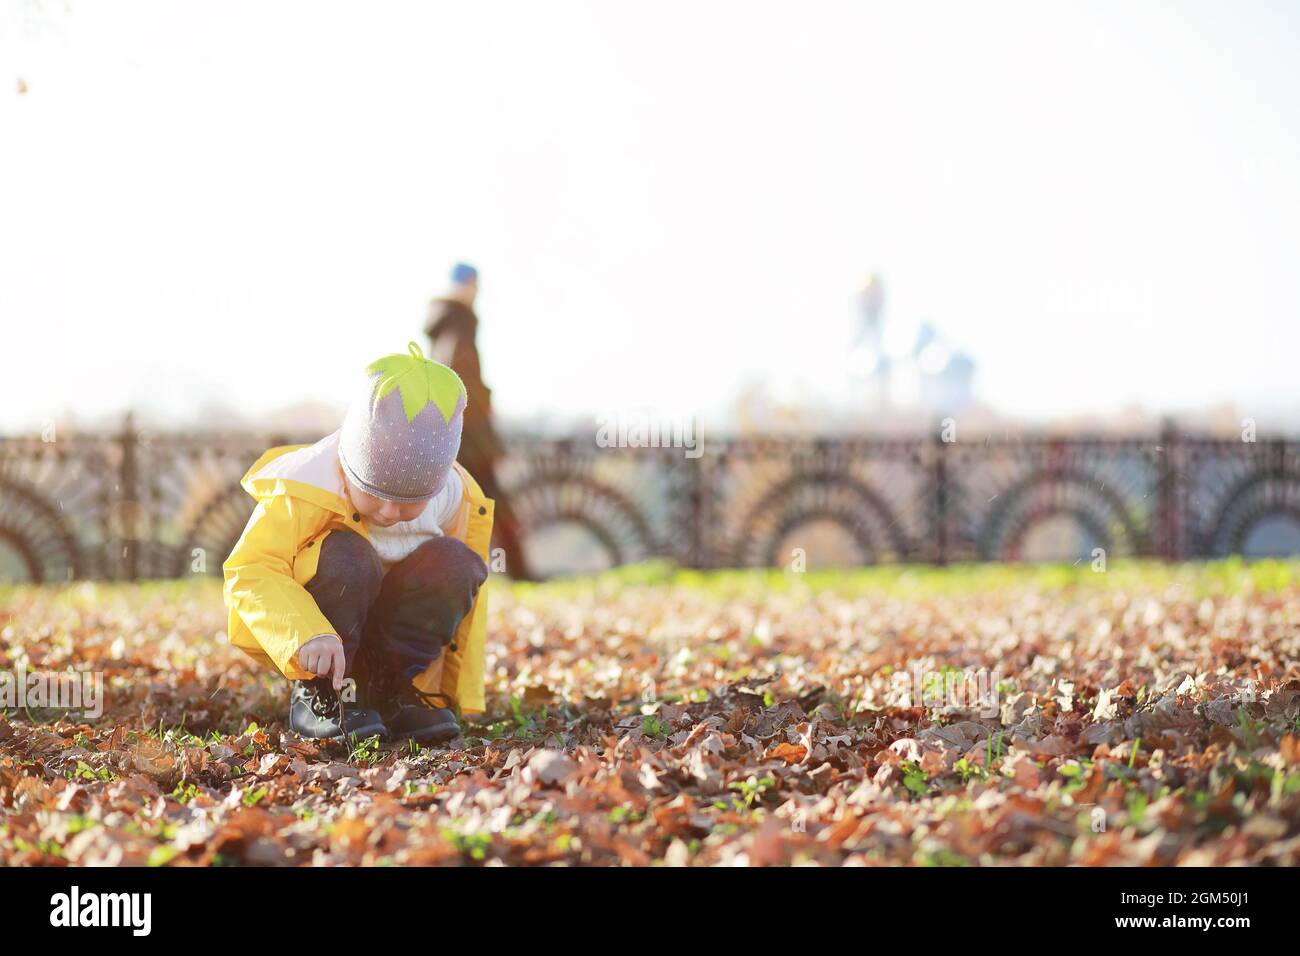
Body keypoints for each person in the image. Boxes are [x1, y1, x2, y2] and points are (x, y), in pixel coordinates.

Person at [222, 343, 493, 743]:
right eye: (373, 491)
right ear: (349, 464)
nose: (386, 512)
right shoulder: (308, 489)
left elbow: (448, 597)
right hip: (323, 626)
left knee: (455, 562)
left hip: (387, 631)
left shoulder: (453, 499)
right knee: (348, 555)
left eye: (407, 503)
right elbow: (251, 570)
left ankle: (388, 690)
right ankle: (322, 692)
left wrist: (445, 687)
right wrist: (304, 635)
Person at [426, 263, 533, 580]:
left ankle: (452, 572)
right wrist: (484, 403)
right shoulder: (459, 324)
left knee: (458, 507)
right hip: (469, 437)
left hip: (453, 434)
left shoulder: (443, 324)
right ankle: (519, 573)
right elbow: (462, 381)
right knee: (491, 506)